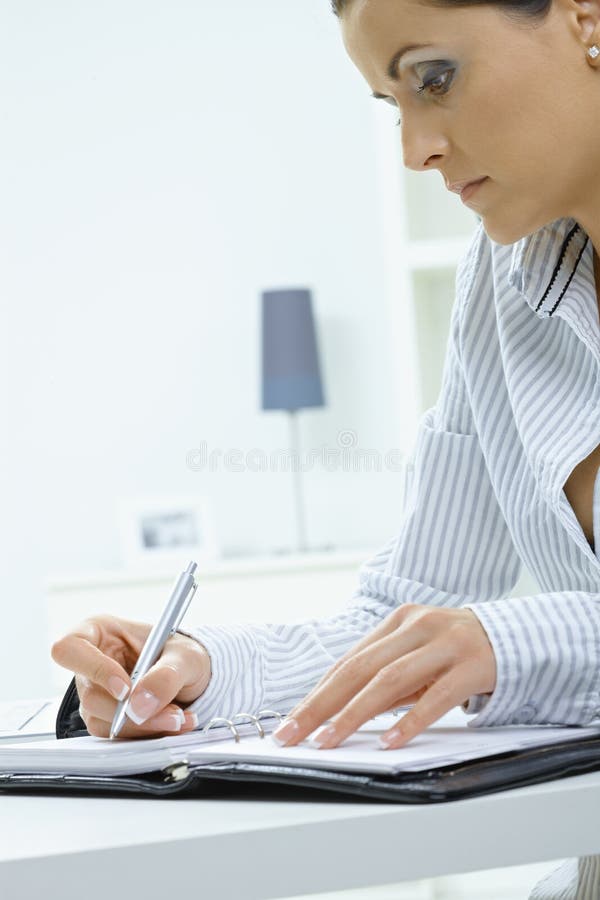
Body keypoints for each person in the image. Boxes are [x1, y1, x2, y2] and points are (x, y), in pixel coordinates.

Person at [51, 0, 600, 896]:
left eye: (435, 78)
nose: (416, 148)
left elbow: (477, 637)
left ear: (584, 15)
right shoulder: (499, 285)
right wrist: (198, 669)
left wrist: (510, 642)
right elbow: (415, 609)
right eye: (394, 105)